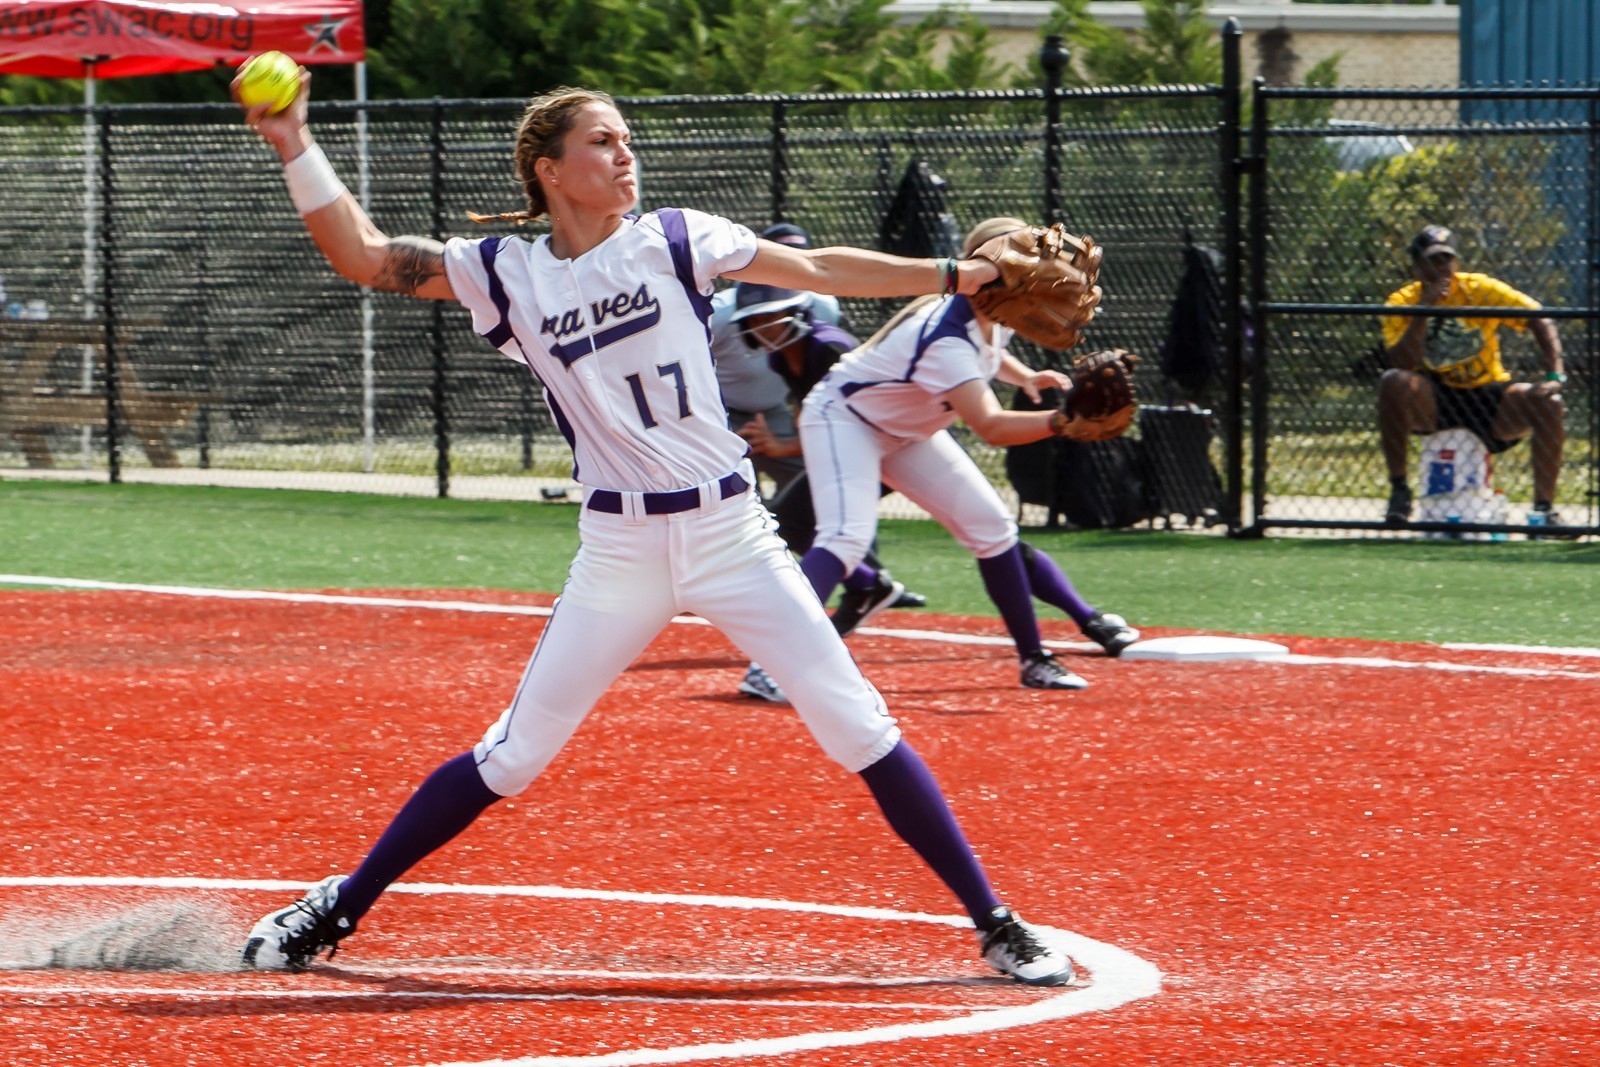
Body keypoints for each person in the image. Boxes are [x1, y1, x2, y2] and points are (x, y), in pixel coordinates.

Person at [231, 76, 1075, 987]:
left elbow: (824, 271)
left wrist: (957, 276)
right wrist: (294, 142)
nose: (623, 152)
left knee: (858, 726)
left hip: (731, 532)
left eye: (625, 136)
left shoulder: (676, 238)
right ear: (550, 169)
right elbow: (363, 256)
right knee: (514, 754)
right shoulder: (506, 272)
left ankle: (995, 921)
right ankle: (339, 904)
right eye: (601, 140)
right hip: (620, 549)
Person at [795, 216, 1141, 693]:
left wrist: (1025, 377)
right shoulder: (946, 338)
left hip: (908, 431)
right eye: (1023, 266)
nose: (1039, 277)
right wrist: (1062, 422)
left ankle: (1034, 659)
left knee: (993, 528)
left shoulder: (995, 309)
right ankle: (775, 662)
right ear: (985, 274)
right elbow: (991, 426)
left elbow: (990, 351)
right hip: (845, 419)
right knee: (845, 538)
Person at [712, 226, 925, 704]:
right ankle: (869, 587)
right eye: (755, 318)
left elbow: (849, 423)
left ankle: (784, 659)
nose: (763, 327)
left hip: (889, 444)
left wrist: (782, 447)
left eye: (771, 315)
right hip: (856, 443)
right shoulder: (777, 351)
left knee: (985, 530)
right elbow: (815, 417)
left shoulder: (828, 344)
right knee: (795, 524)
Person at [1379, 225, 1567, 526]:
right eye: (1432, 260)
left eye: (1447, 259)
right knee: (1393, 381)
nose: (1442, 268)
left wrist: (1555, 374)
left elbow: (1539, 318)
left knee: (1549, 403)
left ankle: (1543, 510)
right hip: (1437, 396)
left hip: (1488, 393)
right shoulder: (1401, 302)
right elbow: (1403, 361)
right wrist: (1424, 309)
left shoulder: (1478, 288)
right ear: (1416, 266)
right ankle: (1399, 491)